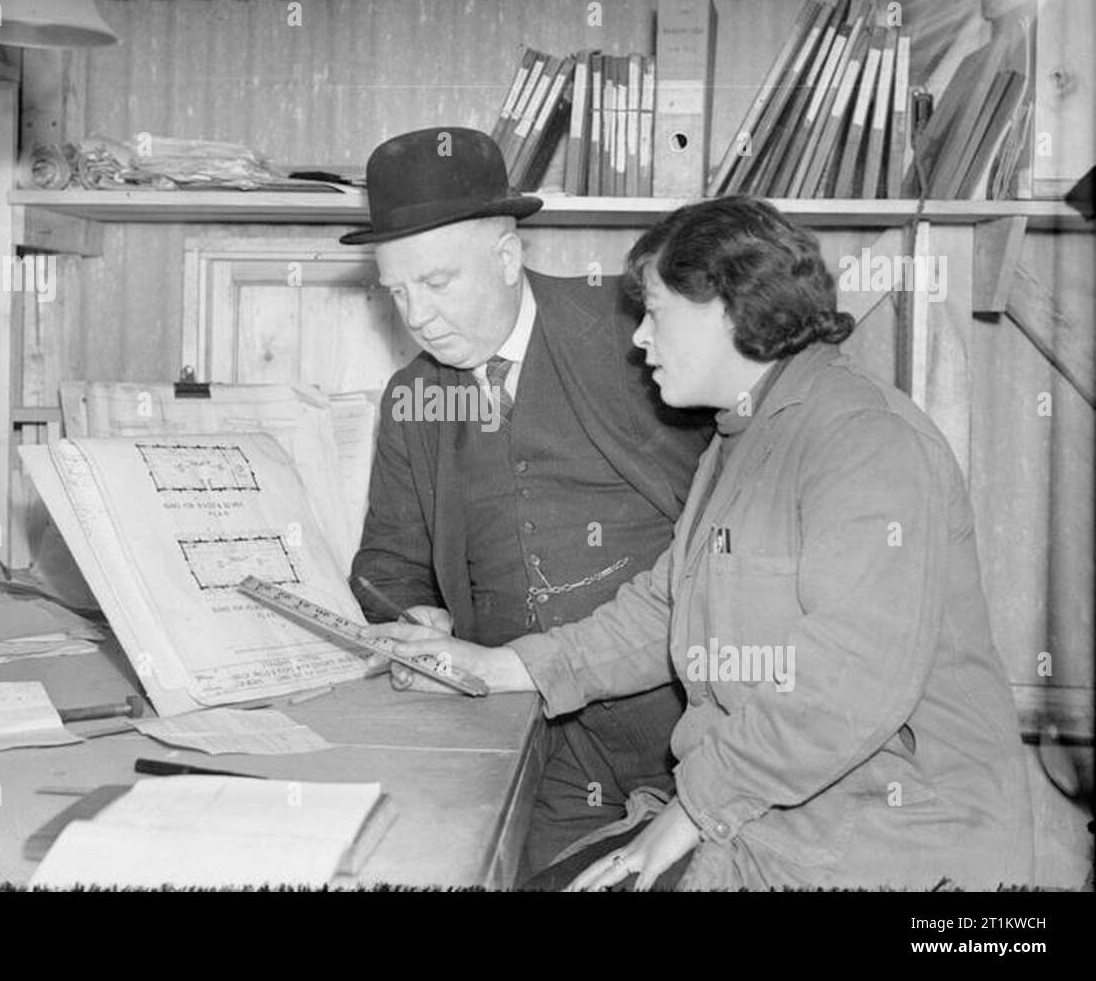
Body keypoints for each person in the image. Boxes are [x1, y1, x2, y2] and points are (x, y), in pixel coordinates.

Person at [377, 195, 1035, 891]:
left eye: (656, 314)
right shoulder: (744, 436)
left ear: (727, 308)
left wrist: (693, 809)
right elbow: (664, 606)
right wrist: (504, 666)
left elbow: (845, 686)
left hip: (882, 843)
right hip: (772, 820)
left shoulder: (865, 441)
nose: (637, 339)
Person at [342, 127, 712, 877]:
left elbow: (737, 524)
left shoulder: (638, 339)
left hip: (691, 738)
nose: (415, 315)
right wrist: (413, 618)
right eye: (398, 292)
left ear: (507, 257)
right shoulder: (414, 396)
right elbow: (386, 563)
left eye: (437, 283)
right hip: (534, 751)